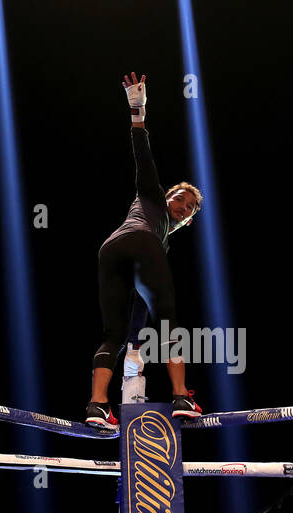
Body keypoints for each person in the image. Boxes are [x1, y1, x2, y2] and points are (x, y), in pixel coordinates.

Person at [87, 72, 203, 430]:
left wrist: (136, 347)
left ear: (187, 222)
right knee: (168, 323)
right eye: (180, 200)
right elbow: (144, 158)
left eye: (188, 210)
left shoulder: (162, 238)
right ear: (167, 196)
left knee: (114, 335)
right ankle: (182, 395)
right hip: (137, 242)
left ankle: (96, 405)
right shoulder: (151, 196)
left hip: (110, 250)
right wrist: (137, 109)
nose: (182, 208)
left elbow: (139, 302)